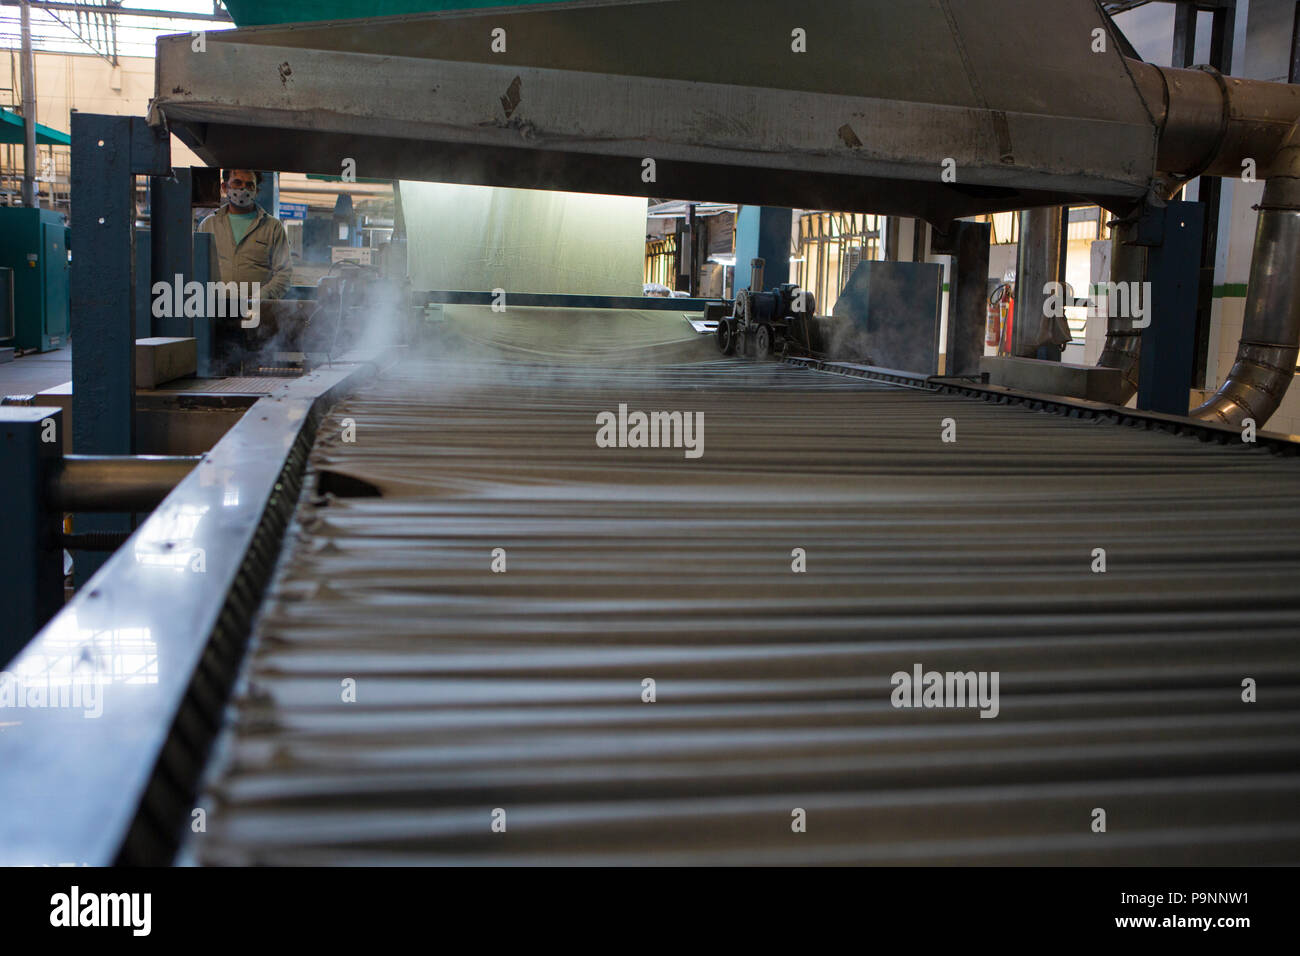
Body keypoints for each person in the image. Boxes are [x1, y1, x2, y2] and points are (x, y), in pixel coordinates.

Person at [198, 169, 293, 367]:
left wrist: (258, 299)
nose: (243, 189)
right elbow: (197, 269)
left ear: (256, 190)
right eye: (237, 183)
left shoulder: (272, 228)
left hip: (257, 320)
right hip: (217, 319)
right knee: (217, 371)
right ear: (225, 187)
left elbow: (284, 273)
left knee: (256, 371)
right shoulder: (209, 225)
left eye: (249, 185)